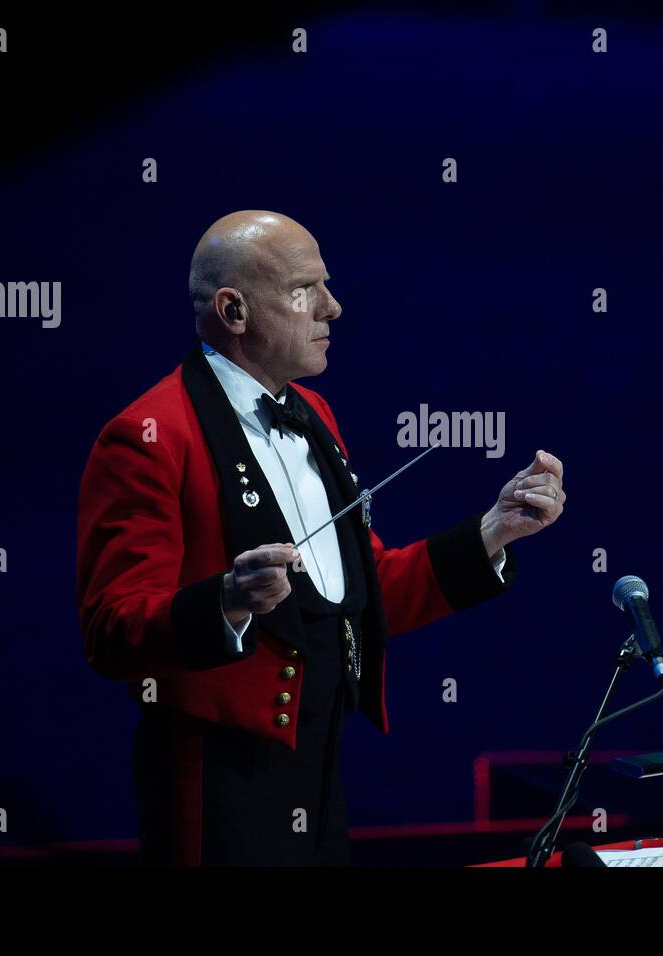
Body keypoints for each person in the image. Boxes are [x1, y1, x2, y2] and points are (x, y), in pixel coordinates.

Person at [76, 210, 566, 865]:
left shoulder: (315, 416)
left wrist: (491, 533)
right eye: (305, 290)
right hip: (218, 781)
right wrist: (226, 600)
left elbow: (362, 591)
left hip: (323, 768)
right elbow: (112, 630)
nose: (332, 308)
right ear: (234, 310)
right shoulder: (149, 436)